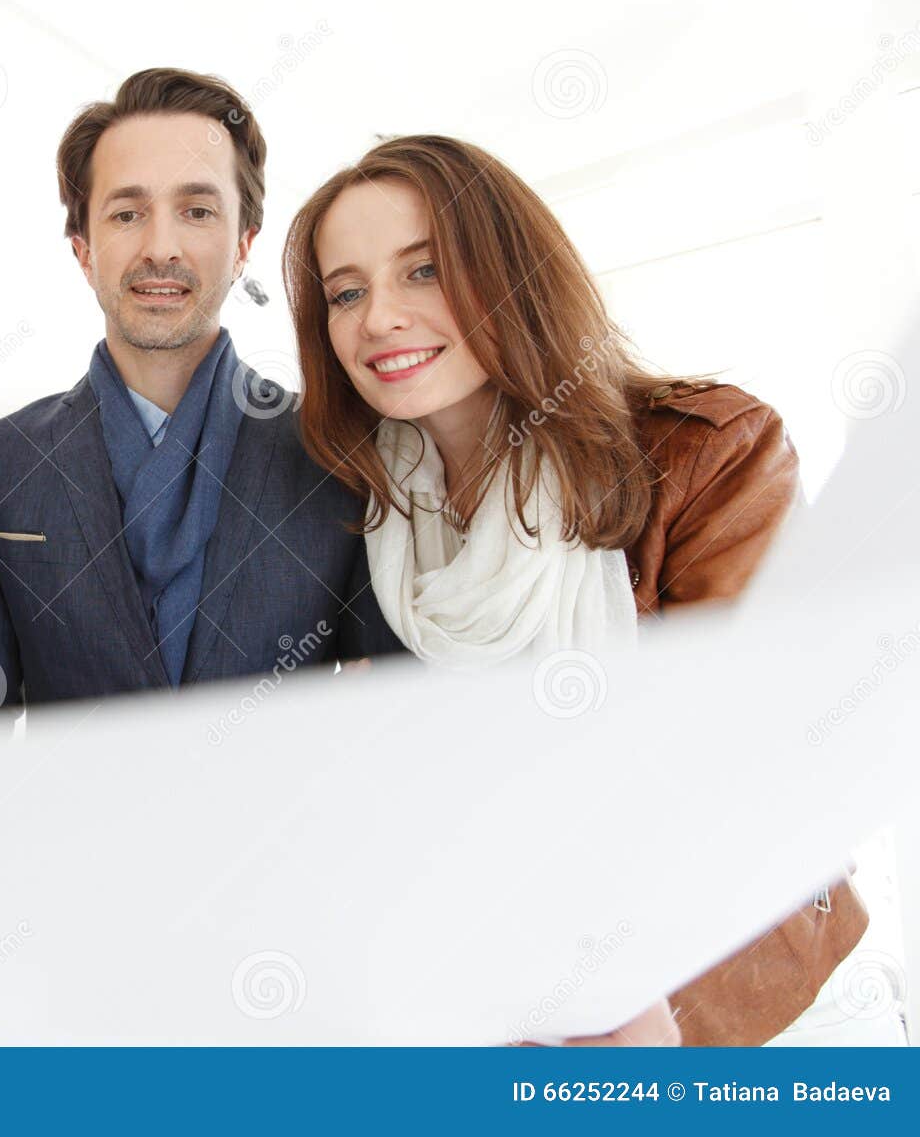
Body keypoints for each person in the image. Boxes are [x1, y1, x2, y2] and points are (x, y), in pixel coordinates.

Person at [284, 133, 868, 1044]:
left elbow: (757, 757)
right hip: (501, 1002)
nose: (379, 318)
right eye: (346, 291)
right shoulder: (364, 508)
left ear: (509, 272)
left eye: (424, 271)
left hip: (730, 1001)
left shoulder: (707, 451)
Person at [0, 68, 401, 718]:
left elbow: (393, 711)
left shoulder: (340, 452)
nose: (161, 247)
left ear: (244, 245)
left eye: (197, 211)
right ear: (83, 250)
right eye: (127, 213)